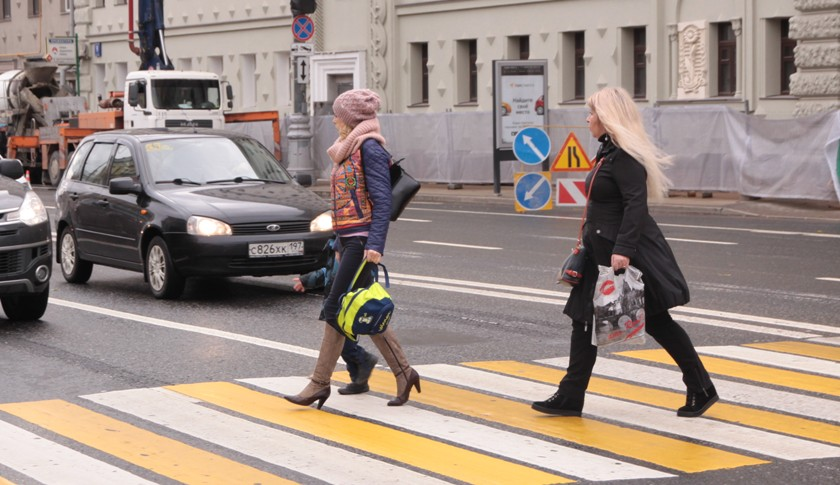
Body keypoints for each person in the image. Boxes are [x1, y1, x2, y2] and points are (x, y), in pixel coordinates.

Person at [532, 87, 717, 418]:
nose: (587, 118)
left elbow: (636, 204)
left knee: (658, 321)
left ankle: (701, 387)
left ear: (607, 118)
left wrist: (623, 251)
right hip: (600, 253)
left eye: (591, 113)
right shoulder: (609, 153)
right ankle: (571, 395)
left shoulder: (625, 158)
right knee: (584, 321)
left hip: (620, 255)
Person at [285, 89, 420, 409]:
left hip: (361, 242)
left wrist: (375, 245)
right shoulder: (348, 149)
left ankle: (319, 383)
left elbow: (383, 199)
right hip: (348, 240)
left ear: (350, 120)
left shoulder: (369, 148)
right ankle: (404, 372)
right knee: (359, 309)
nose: (334, 120)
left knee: (335, 309)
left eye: (338, 116)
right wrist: (338, 242)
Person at [292, 236, 379, 395]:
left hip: (347, 299)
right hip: (341, 297)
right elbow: (330, 271)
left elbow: (341, 273)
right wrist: (307, 280)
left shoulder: (349, 241)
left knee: (343, 342)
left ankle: (364, 360)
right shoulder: (337, 241)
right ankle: (359, 377)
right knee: (344, 341)